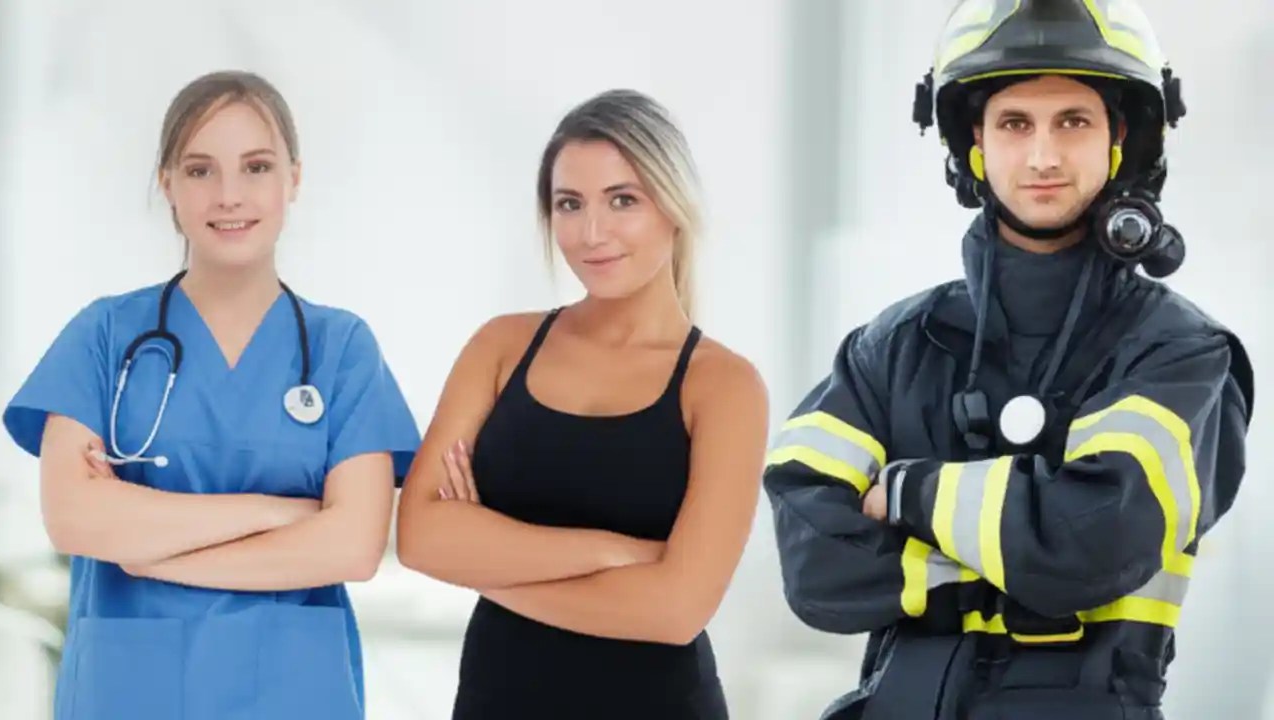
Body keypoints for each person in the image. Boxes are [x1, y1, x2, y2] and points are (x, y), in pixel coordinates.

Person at [763, 2, 1254, 718]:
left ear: (1121, 139)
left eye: (1073, 122)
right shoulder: (892, 346)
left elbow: (1087, 545)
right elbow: (816, 567)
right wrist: (1016, 547)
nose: (1044, 156)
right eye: (1015, 124)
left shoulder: (1180, 353)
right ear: (973, 146)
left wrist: (908, 495)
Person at [2, 70, 420, 720]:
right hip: (128, 691)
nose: (230, 195)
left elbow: (353, 547)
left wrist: (147, 551)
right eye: (201, 170)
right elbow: (75, 519)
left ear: (294, 179)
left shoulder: (342, 349)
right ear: (167, 183)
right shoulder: (106, 335)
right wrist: (280, 512)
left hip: (292, 693)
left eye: (255, 167)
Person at [395, 89, 769, 719]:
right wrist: (611, 552)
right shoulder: (502, 346)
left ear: (673, 207)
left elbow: (676, 611)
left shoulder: (724, 386)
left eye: (622, 200)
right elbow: (420, 535)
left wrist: (485, 565)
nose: (591, 233)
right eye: (570, 204)